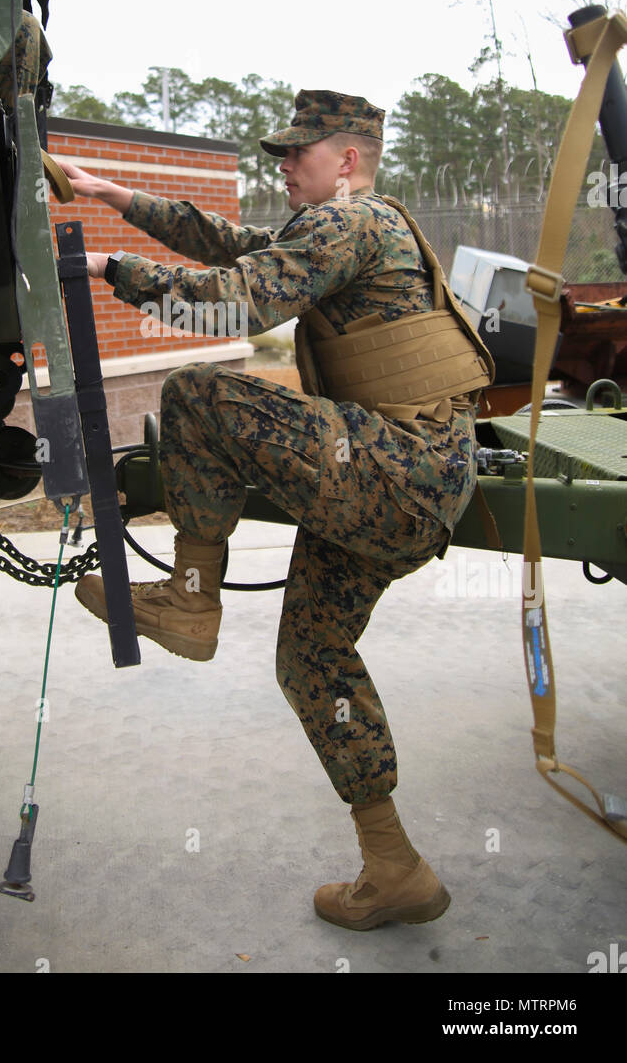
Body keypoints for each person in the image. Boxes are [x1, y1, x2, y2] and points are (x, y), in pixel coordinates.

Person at [54, 90, 493, 931]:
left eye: (299, 153)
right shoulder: (349, 228)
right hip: (409, 481)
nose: (284, 165)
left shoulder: (350, 223)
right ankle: (394, 866)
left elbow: (228, 302)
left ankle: (189, 596)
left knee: (198, 394)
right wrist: (114, 196)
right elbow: (233, 243)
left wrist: (112, 272)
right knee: (312, 657)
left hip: (394, 473)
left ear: (348, 161)